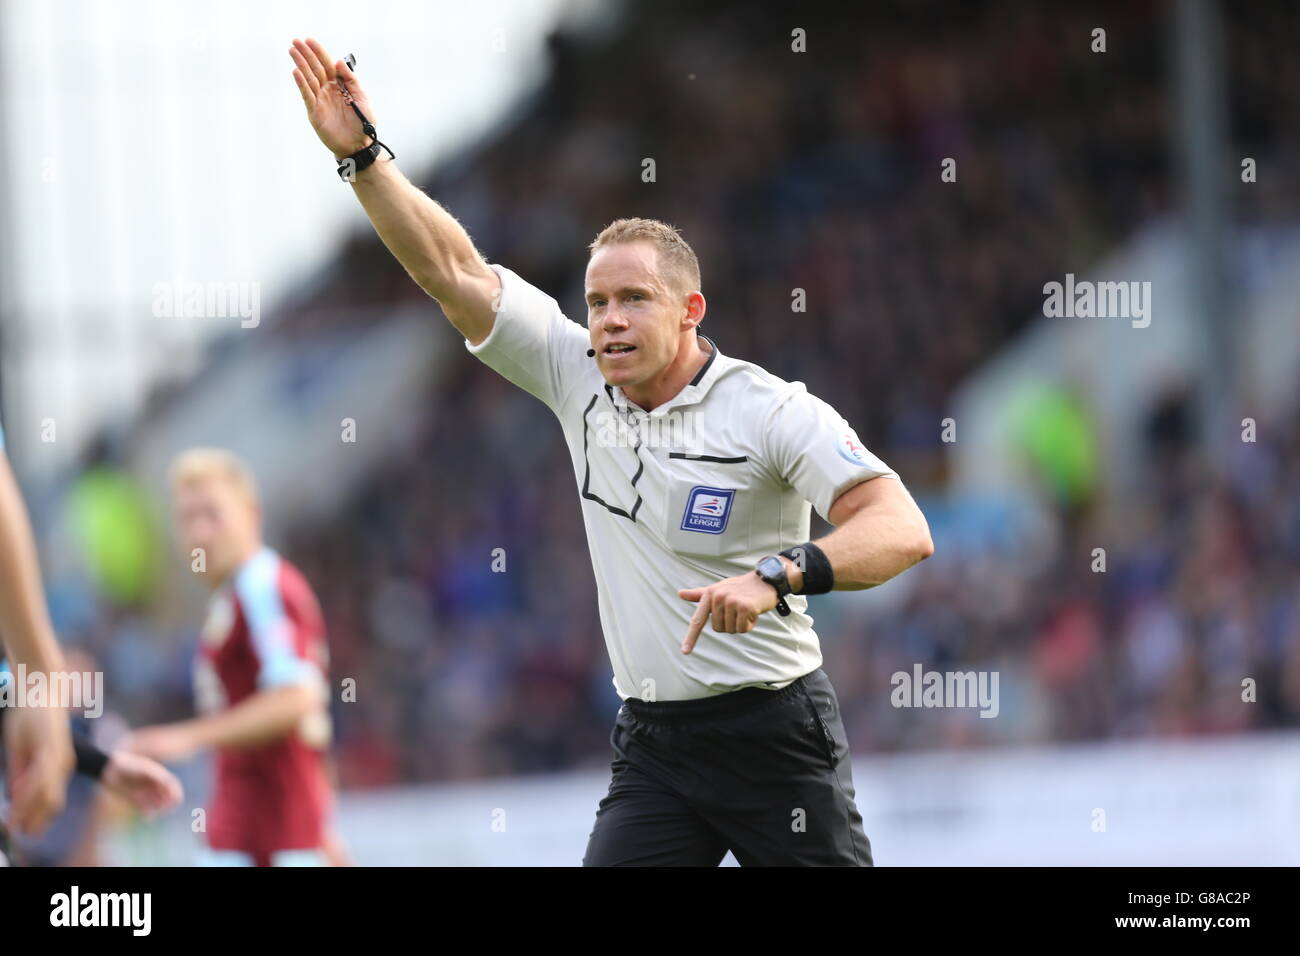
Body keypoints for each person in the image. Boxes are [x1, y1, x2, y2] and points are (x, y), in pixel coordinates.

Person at [290, 37, 933, 865]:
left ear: (691, 309)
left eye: (635, 299)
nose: (610, 320)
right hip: (655, 746)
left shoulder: (768, 411)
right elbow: (454, 271)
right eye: (597, 301)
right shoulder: (573, 373)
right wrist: (366, 160)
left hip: (774, 734)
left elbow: (901, 526)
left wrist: (780, 574)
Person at [122, 449, 337, 866]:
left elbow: (297, 697)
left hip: (270, 845)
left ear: (251, 516)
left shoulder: (263, 585)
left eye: (212, 514)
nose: (200, 532)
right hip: (256, 837)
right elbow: (308, 732)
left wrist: (186, 738)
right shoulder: (236, 595)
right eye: (187, 519)